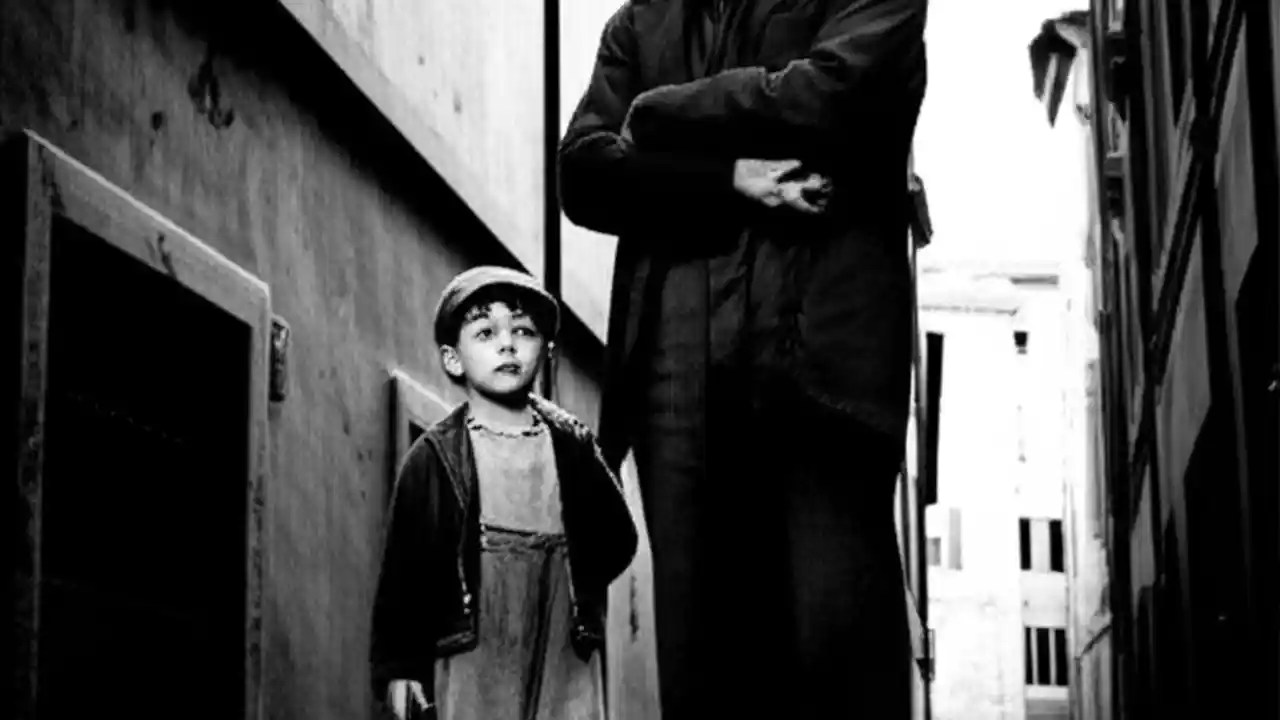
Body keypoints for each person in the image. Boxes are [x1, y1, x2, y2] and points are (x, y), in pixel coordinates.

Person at [557, 0, 928, 717]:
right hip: (678, 386)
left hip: (821, 379)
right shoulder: (641, 24)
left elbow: (831, 97)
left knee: (833, 658)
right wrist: (730, 178)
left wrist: (667, 113)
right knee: (703, 675)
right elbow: (584, 172)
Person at [369, 266, 639, 720]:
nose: (507, 343)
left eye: (523, 330)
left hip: (562, 641)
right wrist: (399, 669)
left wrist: (577, 586)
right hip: (475, 642)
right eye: (485, 332)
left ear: (546, 351)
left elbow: (618, 538)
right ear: (453, 359)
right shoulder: (435, 457)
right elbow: (404, 574)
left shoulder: (571, 445)